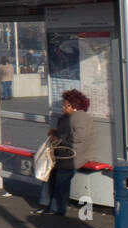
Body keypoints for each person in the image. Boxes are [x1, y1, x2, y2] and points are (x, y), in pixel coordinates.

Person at [33, 89, 94, 218]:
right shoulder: (67, 117)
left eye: (65, 105)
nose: (63, 107)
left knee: (62, 179)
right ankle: (45, 204)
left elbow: (80, 136)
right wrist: (55, 134)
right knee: (49, 175)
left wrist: (60, 138)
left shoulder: (81, 117)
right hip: (63, 153)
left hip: (72, 155)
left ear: (74, 106)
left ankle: (57, 208)